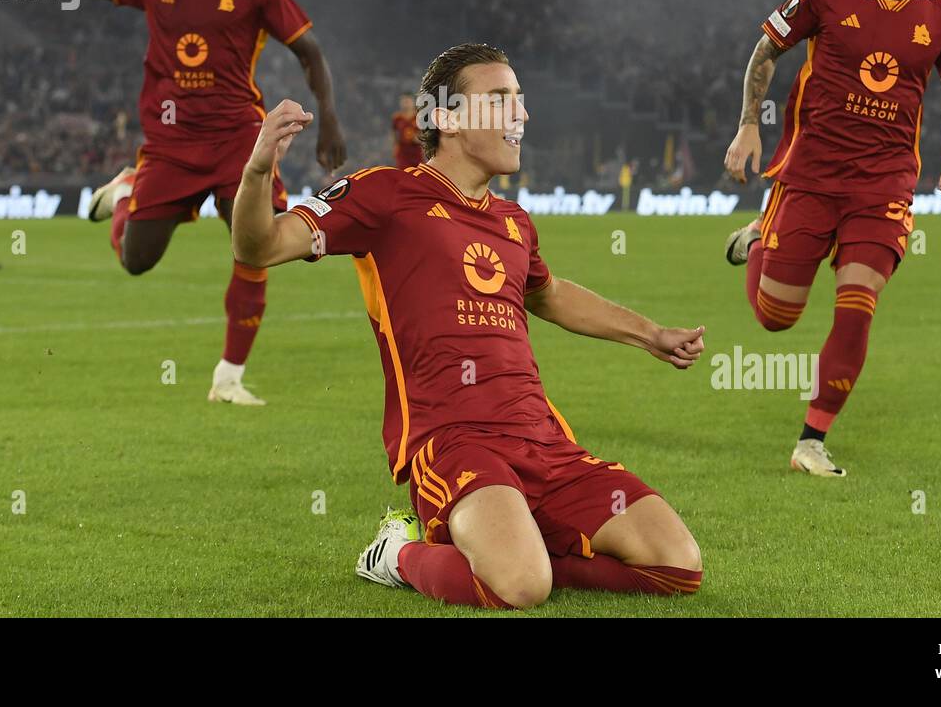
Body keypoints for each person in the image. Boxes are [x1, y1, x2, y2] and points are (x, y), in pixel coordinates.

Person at [231, 43, 705, 609]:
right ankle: (398, 555)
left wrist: (650, 334)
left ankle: (518, 545)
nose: (522, 114)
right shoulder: (385, 195)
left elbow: (548, 294)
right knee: (522, 588)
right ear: (448, 117)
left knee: (677, 566)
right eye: (501, 99)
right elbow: (259, 246)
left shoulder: (514, 222)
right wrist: (259, 170)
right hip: (454, 444)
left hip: (544, 442)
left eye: (521, 101)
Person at [0, 0, 346, 404]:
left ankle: (228, 378)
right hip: (171, 145)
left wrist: (329, 118)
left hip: (237, 140)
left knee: (256, 247)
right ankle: (124, 193)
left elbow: (309, 50)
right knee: (136, 262)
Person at [723, 0, 941, 477]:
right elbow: (764, 54)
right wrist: (747, 127)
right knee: (774, 317)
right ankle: (762, 234)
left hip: (885, 183)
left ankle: (811, 440)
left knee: (857, 305)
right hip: (809, 173)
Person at [391, 92, 423, 169]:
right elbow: (394, 132)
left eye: (407, 101)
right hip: (403, 152)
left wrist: (418, 139)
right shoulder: (397, 118)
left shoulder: (419, 117)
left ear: (413, 102)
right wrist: (395, 146)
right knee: (403, 174)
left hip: (416, 151)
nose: (406, 104)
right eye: (404, 101)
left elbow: (425, 134)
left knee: (417, 174)